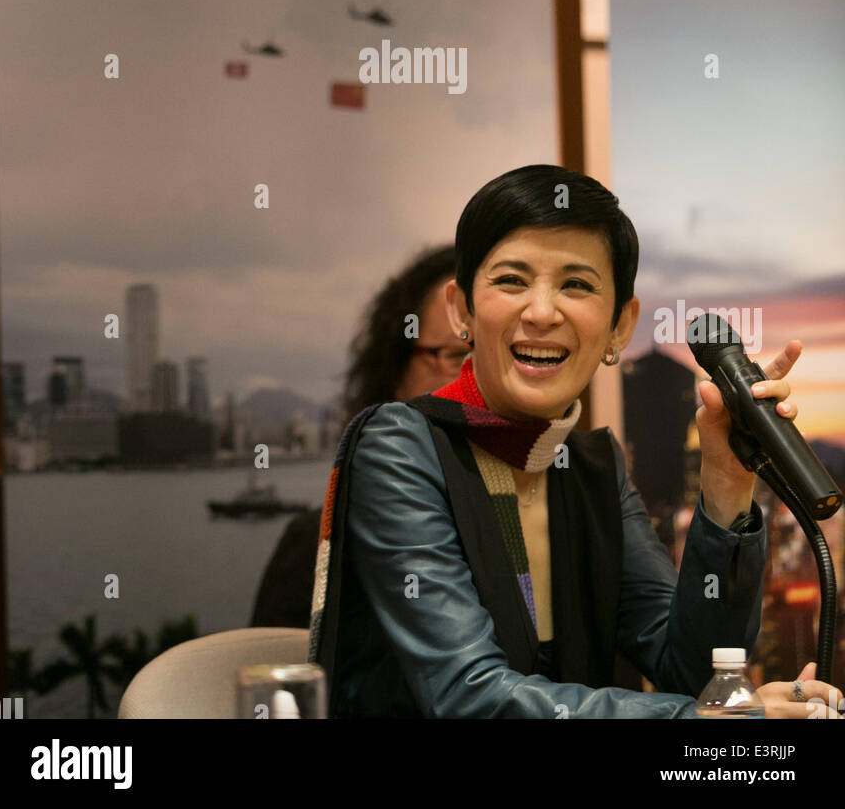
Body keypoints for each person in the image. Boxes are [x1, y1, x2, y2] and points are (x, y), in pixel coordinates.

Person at [309, 164, 844, 719]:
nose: (542, 312)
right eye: (512, 280)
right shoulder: (399, 446)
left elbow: (695, 671)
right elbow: (467, 695)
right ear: (462, 309)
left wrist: (727, 483)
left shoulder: (591, 467)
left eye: (577, 285)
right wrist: (707, 723)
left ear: (620, 325)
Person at [250, 243, 461, 628]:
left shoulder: (563, 530)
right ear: (395, 374)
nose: (480, 380)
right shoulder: (325, 550)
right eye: (456, 354)